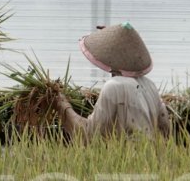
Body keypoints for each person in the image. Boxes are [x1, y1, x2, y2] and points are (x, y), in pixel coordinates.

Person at [40, 22, 171, 141]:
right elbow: (165, 129)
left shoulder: (113, 87)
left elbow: (89, 135)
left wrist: (62, 105)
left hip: (126, 161)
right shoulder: (149, 85)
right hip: (151, 161)